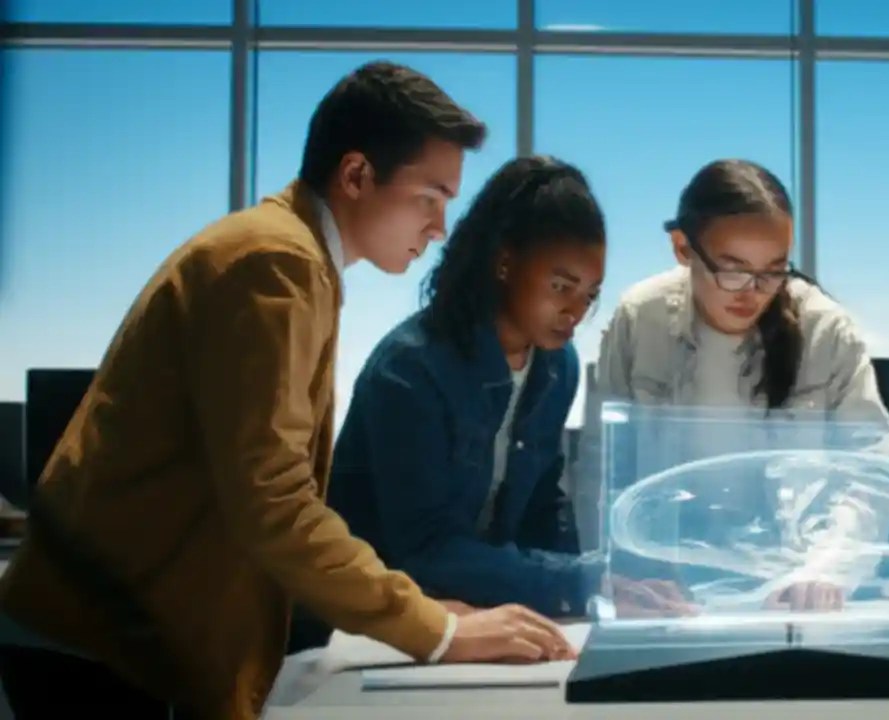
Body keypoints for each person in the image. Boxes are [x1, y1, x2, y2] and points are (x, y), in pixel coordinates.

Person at [0, 62, 572, 720]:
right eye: (430, 197)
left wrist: (420, 615)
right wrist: (437, 631)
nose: (441, 225)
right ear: (356, 175)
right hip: (94, 645)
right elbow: (273, 502)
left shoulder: (292, 256)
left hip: (116, 636)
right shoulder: (275, 262)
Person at [305, 154, 622, 630]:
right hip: (376, 627)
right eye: (561, 286)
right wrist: (577, 581)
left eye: (590, 295)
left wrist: (591, 604)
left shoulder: (558, 365)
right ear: (504, 263)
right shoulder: (411, 369)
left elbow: (542, 505)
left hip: (483, 613)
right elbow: (425, 550)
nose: (576, 310)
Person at [581, 159, 889, 613]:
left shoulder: (827, 330)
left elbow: (870, 474)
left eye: (772, 271)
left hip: (792, 587)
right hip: (664, 588)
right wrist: (611, 577)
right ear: (682, 248)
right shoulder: (640, 318)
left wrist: (828, 570)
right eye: (731, 269)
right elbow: (601, 466)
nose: (752, 291)